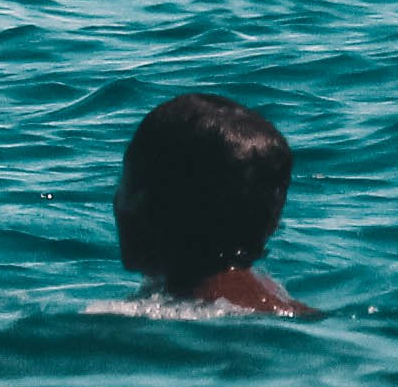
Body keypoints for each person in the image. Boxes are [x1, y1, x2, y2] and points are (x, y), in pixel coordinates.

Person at [117, 92, 306, 313]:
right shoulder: (293, 309)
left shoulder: (132, 319)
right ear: (273, 219)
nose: (116, 201)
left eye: (126, 185)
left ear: (146, 207)